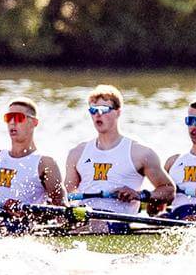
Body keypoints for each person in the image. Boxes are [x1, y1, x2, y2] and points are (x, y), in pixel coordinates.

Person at [63, 85, 175, 229]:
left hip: (119, 221)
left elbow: (168, 190)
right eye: (93, 110)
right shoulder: (77, 152)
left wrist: (139, 195)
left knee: (95, 225)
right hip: (85, 217)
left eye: (103, 110)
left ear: (118, 112)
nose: (98, 114)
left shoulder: (140, 153)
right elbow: (67, 192)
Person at [0, 98, 65, 230]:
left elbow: (61, 208)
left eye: (18, 117)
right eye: (8, 117)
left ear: (34, 122)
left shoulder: (45, 163)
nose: (12, 122)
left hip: (20, 225)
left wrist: (27, 212)